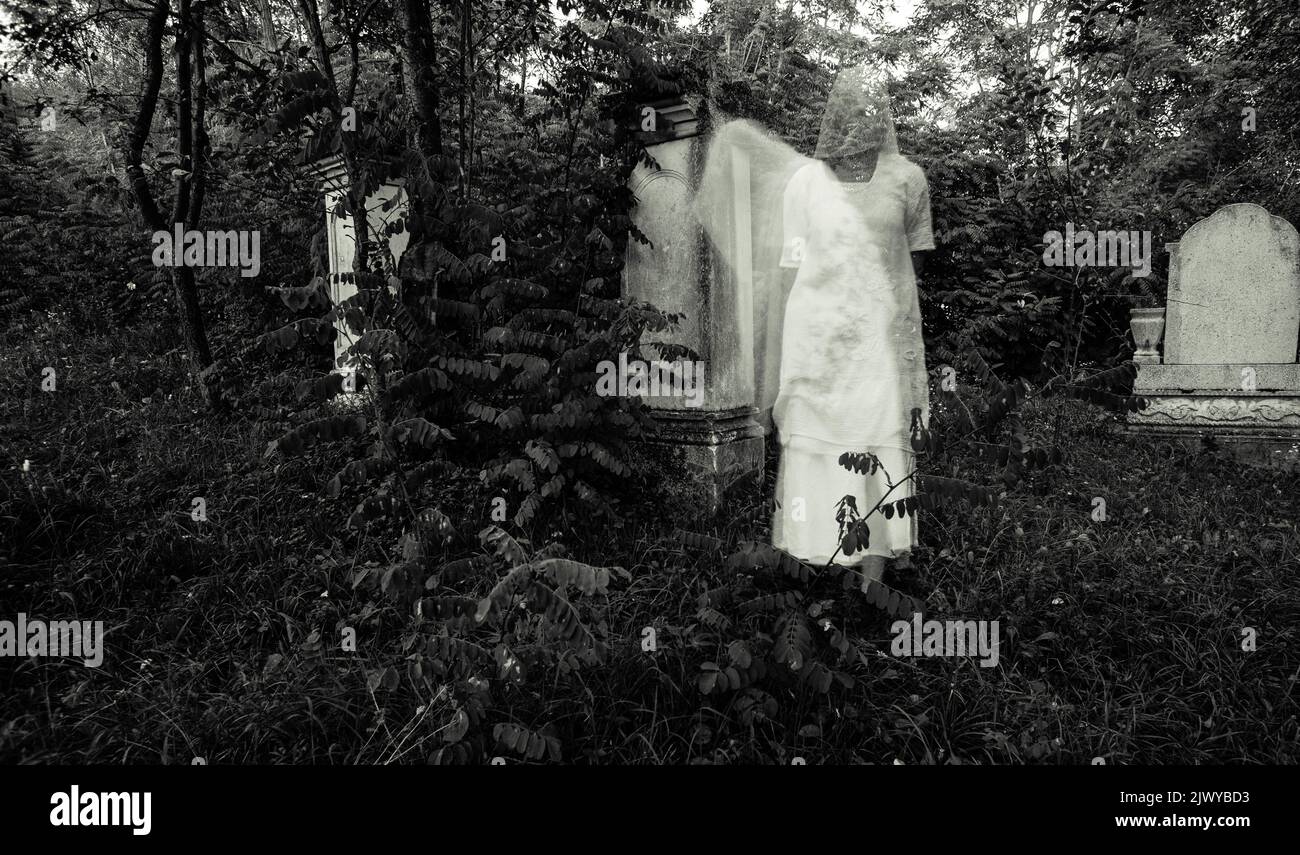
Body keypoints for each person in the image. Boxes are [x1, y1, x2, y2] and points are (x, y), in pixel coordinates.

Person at [695, 64, 934, 589]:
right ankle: (813, 563)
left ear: (881, 116)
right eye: (845, 108)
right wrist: (782, 336)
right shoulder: (806, 182)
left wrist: (885, 324)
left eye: (867, 107)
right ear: (834, 116)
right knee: (815, 439)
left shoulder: (907, 178)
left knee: (875, 437)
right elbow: (790, 267)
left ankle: (873, 574)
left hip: (876, 337)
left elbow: (910, 270)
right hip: (816, 334)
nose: (856, 118)